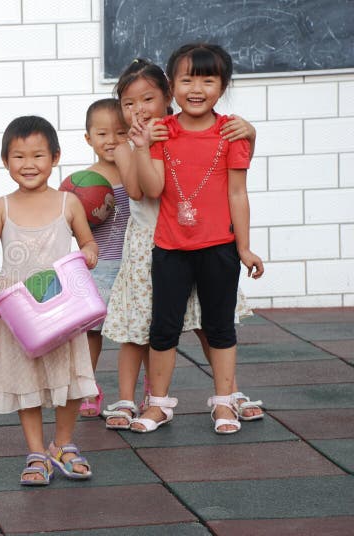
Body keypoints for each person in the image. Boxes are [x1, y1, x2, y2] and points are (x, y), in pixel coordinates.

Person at [100, 58, 264, 430]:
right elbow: (146, 190)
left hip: (212, 243)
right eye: (129, 103)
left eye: (147, 99)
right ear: (175, 86)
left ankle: (227, 395)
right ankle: (147, 401)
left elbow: (238, 185)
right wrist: (140, 146)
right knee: (156, 327)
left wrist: (251, 133)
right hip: (160, 244)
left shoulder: (224, 132)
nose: (139, 110)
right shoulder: (155, 138)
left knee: (215, 324)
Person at [0, 116, 100, 486]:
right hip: (20, 306)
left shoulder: (69, 203)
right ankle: (35, 451)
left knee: (72, 375)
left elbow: (87, 241)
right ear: (5, 161)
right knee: (25, 379)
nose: (28, 164)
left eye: (37, 155)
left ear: (56, 157)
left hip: (61, 302)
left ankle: (62, 443)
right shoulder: (3, 206)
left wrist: (90, 252)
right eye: (18, 156)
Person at [72, 99, 131, 418]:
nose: (111, 140)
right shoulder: (83, 181)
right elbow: (69, 221)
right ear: (88, 138)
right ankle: (88, 386)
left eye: (120, 132)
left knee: (137, 332)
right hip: (98, 267)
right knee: (91, 332)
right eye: (102, 133)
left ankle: (148, 389)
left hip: (135, 265)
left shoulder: (135, 169)